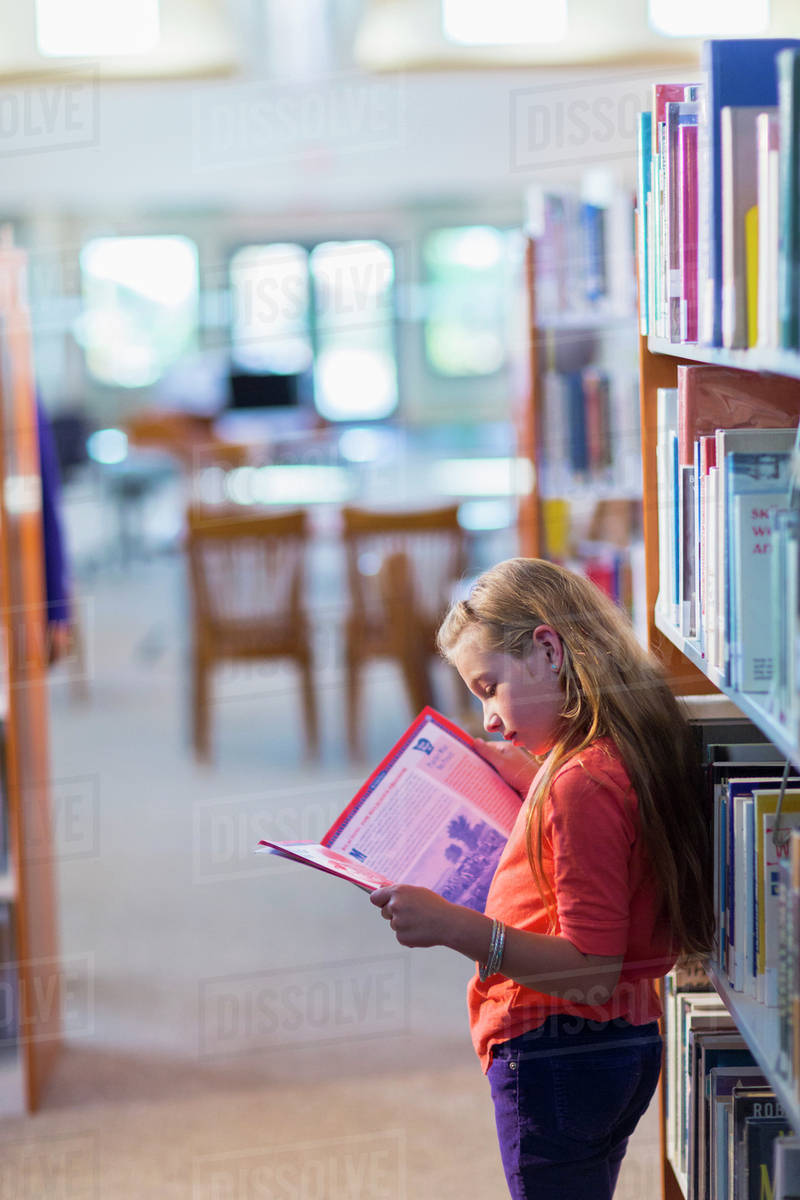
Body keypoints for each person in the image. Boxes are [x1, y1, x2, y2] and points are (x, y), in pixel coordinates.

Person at [369, 557, 714, 1200]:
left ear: (549, 650)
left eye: (489, 686)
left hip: (557, 1051)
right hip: (615, 1043)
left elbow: (590, 968)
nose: (490, 719)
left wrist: (455, 927)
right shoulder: (611, 752)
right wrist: (536, 781)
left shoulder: (581, 784)